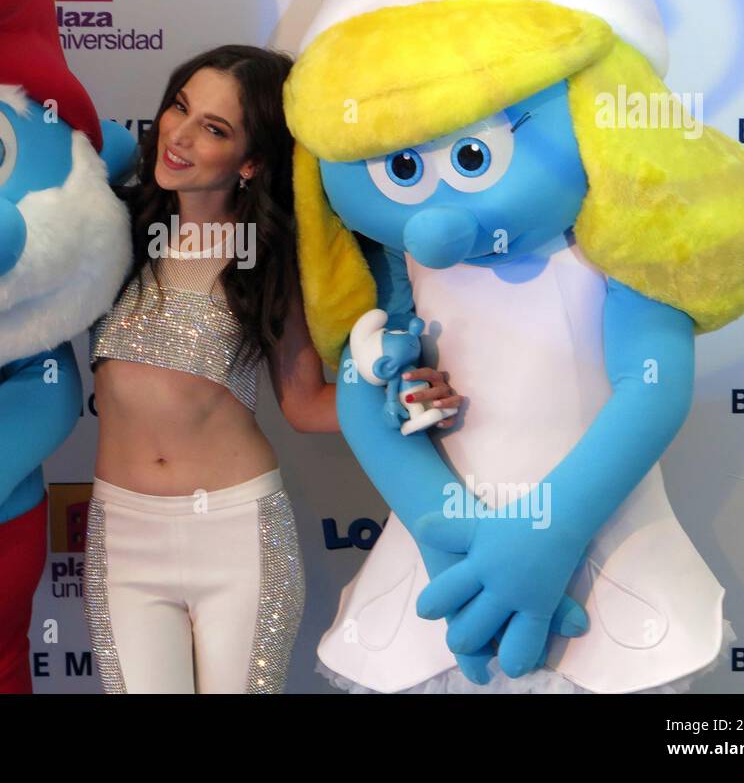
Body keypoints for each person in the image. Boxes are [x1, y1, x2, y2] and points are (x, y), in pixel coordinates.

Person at [82, 44, 463, 693]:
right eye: (181, 106)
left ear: (251, 162)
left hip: (237, 532)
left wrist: (396, 397)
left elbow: (304, 403)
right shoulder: (107, 228)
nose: (179, 134)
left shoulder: (269, 261)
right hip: (122, 535)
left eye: (215, 128)